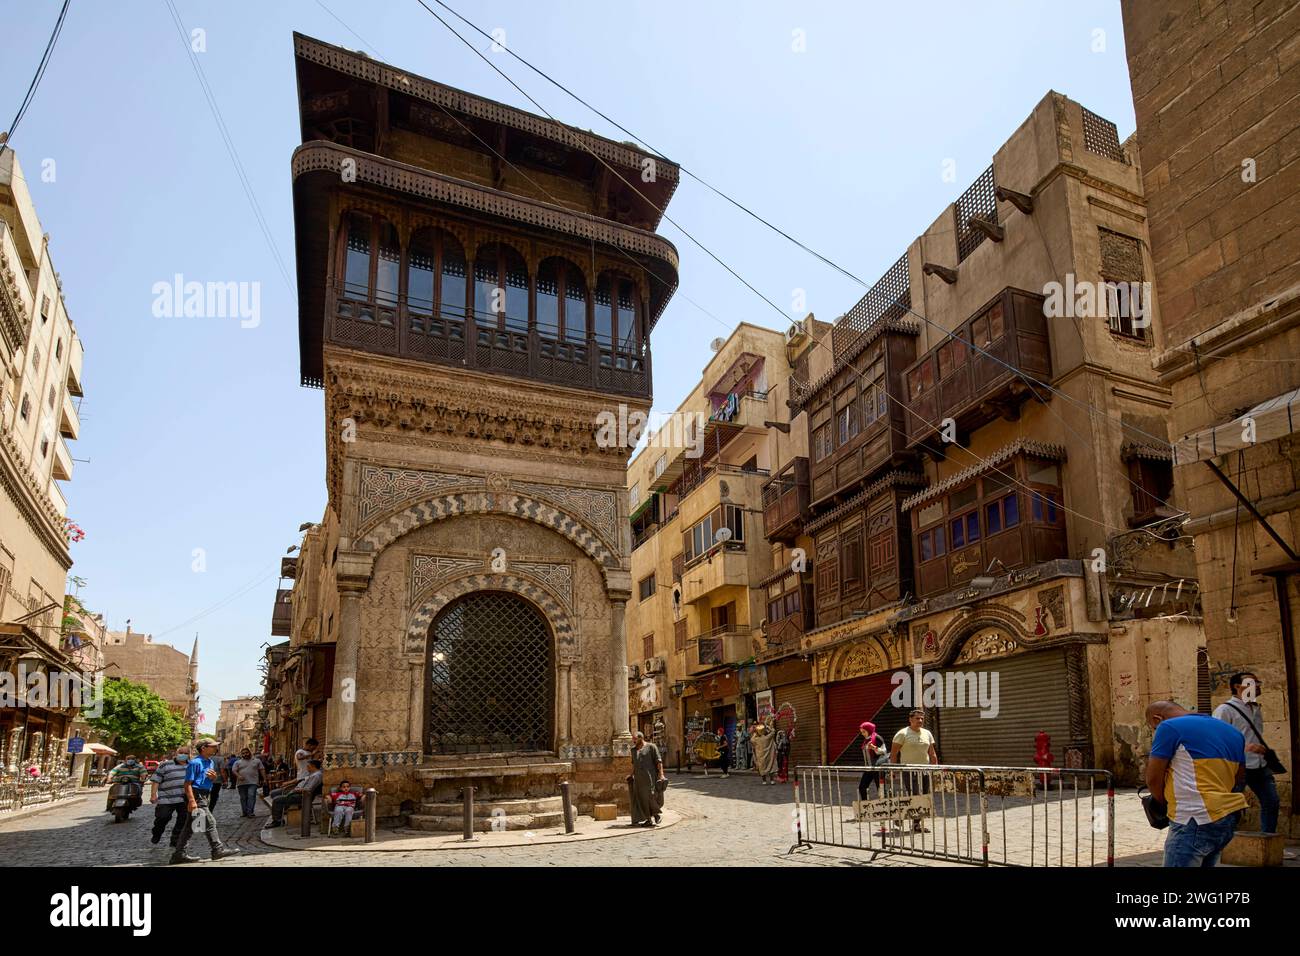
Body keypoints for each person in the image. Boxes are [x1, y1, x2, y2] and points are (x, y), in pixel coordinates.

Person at [1146, 701, 1248, 867]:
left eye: (1153, 728)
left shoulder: (1168, 727)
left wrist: (1163, 803)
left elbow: (1152, 778)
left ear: (1157, 719)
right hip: (1226, 816)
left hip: (1193, 816)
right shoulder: (1234, 732)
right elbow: (1240, 777)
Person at [1212, 671, 1281, 834]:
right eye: (1252, 683)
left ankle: (1268, 842)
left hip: (1259, 764)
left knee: (1272, 802)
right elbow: (1216, 739)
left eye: (1258, 683)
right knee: (1233, 807)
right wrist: (1246, 747)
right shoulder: (1224, 710)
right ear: (1237, 687)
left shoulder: (1255, 708)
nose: (1257, 686)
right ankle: (1225, 843)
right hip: (1237, 766)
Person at [171, 738, 240, 865]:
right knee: (210, 822)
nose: (215, 748)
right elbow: (187, 784)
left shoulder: (210, 762)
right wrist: (192, 801)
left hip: (204, 795)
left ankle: (178, 854)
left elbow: (208, 780)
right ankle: (217, 849)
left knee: (189, 828)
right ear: (203, 748)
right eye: (213, 746)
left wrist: (213, 778)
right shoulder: (195, 763)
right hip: (196, 795)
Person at [890, 709, 938, 832]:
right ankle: (899, 815)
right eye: (917, 718)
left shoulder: (927, 733)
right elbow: (894, 754)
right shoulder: (902, 734)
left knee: (924, 796)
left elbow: (932, 753)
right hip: (909, 770)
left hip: (925, 770)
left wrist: (935, 769)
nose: (920, 721)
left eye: (922, 718)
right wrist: (892, 770)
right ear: (910, 719)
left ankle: (916, 824)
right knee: (915, 795)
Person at [149, 746, 191, 848]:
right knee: (162, 817)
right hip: (166, 798)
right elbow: (156, 780)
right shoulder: (165, 765)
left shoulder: (191, 765)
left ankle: (175, 840)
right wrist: (153, 795)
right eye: (181, 752)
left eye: (185, 753)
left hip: (184, 798)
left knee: (183, 820)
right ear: (176, 753)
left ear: (189, 754)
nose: (183, 754)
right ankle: (157, 833)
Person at [266, 760, 324, 828]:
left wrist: (295, 790)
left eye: (308, 766)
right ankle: (281, 811)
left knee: (276, 800)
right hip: (297, 791)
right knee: (274, 793)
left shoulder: (316, 776)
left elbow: (308, 789)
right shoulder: (312, 773)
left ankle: (277, 821)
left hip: (302, 796)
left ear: (313, 766)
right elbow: (301, 780)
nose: (307, 768)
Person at [629, 732, 666, 827]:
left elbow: (659, 762)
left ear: (641, 738)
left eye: (635, 739)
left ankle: (656, 814)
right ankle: (648, 820)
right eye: (633, 739)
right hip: (638, 780)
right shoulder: (633, 750)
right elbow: (634, 764)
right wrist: (631, 775)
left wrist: (661, 775)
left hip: (650, 778)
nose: (633, 741)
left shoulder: (651, 747)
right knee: (641, 799)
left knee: (650, 797)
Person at [231, 748, 266, 819]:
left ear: (249, 752)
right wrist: (238, 776)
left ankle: (250, 812)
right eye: (243, 753)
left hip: (253, 782)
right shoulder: (238, 762)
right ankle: (244, 812)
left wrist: (265, 779)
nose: (245, 754)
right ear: (241, 754)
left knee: (251, 795)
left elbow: (262, 769)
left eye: (246, 753)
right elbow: (234, 770)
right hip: (241, 783)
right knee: (243, 798)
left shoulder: (257, 761)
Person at [857, 721, 887, 802]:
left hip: (877, 768)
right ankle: (865, 806)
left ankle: (885, 807)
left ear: (869, 730)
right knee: (862, 787)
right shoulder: (866, 740)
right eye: (861, 732)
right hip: (869, 768)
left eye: (864, 731)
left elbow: (884, 751)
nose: (862, 734)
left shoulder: (877, 738)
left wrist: (874, 748)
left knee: (881, 789)